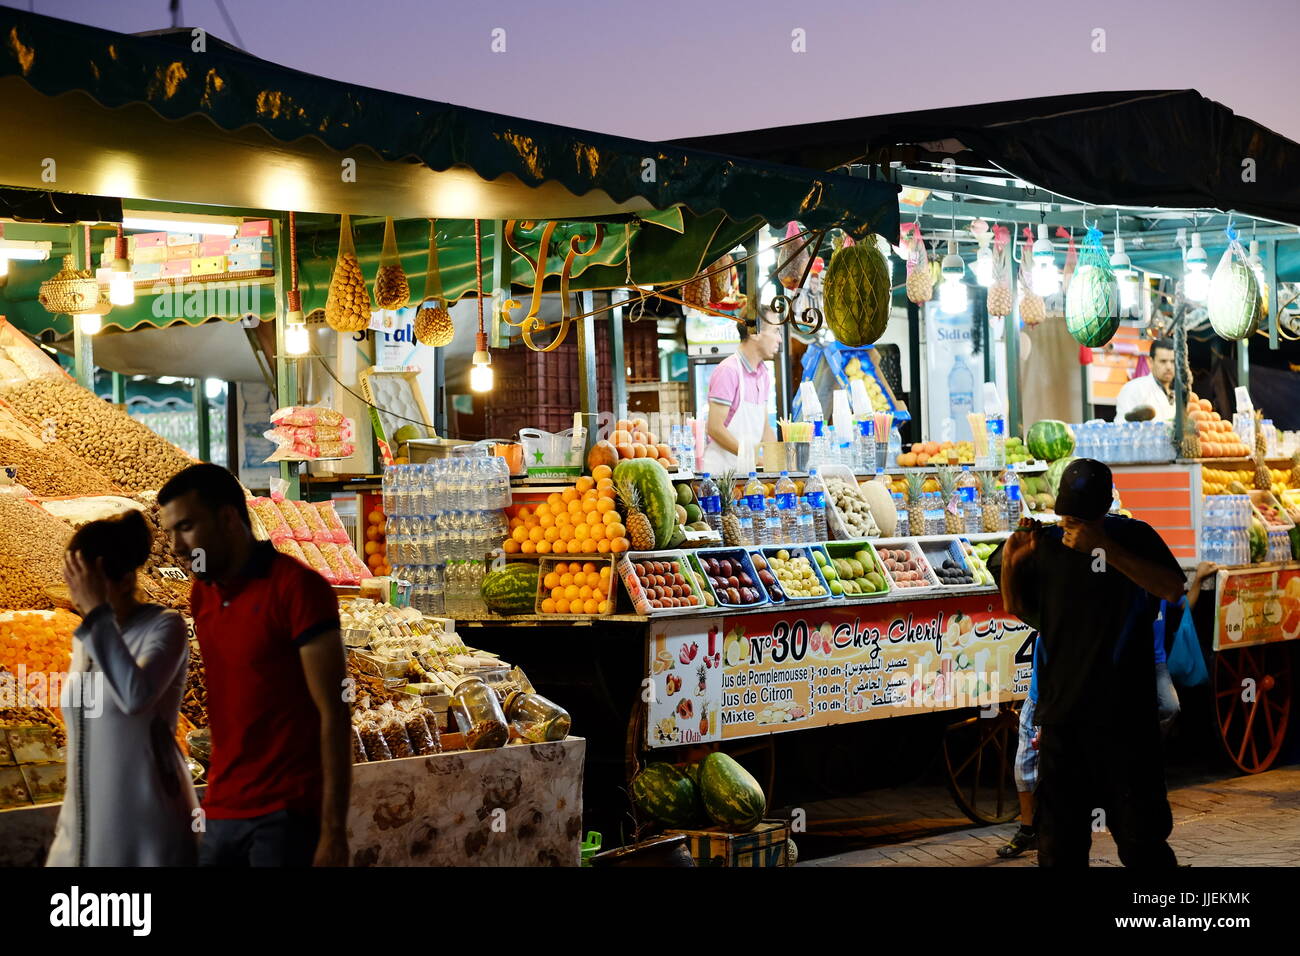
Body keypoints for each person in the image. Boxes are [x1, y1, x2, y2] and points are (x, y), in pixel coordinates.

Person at [994, 459, 1185, 868]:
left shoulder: (1133, 536)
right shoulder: (1045, 544)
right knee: (1060, 848)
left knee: (1141, 841)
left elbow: (1171, 588)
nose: (1070, 522)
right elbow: (1019, 609)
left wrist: (1103, 548)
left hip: (1125, 719)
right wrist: (1011, 563)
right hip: (1064, 717)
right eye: (1066, 514)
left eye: (1079, 515)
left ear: (1104, 508)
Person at [158, 464, 350, 867]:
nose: (176, 545)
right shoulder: (202, 595)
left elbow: (334, 713)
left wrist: (333, 830)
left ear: (228, 517)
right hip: (223, 804)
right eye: (170, 531)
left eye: (186, 527)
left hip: (285, 812)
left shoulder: (298, 589)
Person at [47, 510, 199, 866]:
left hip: (148, 819)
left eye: (79, 578)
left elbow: (135, 696)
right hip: (87, 821)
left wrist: (97, 613)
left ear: (112, 578)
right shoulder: (88, 636)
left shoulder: (165, 628)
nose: (72, 589)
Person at [702, 317, 781, 473]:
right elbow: (714, 428)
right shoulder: (729, 371)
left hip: (748, 474)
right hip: (722, 476)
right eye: (775, 330)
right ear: (754, 333)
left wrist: (777, 465)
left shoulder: (763, 373)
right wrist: (753, 458)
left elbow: (765, 428)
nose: (779, 339)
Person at [1115, 337, 1176, 421]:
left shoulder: (1179, 396)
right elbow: (1122, 427)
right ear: (1151, 362)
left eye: (1173, 362)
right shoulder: (1133, 389)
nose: (1169, 367)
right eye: (1163, 361)